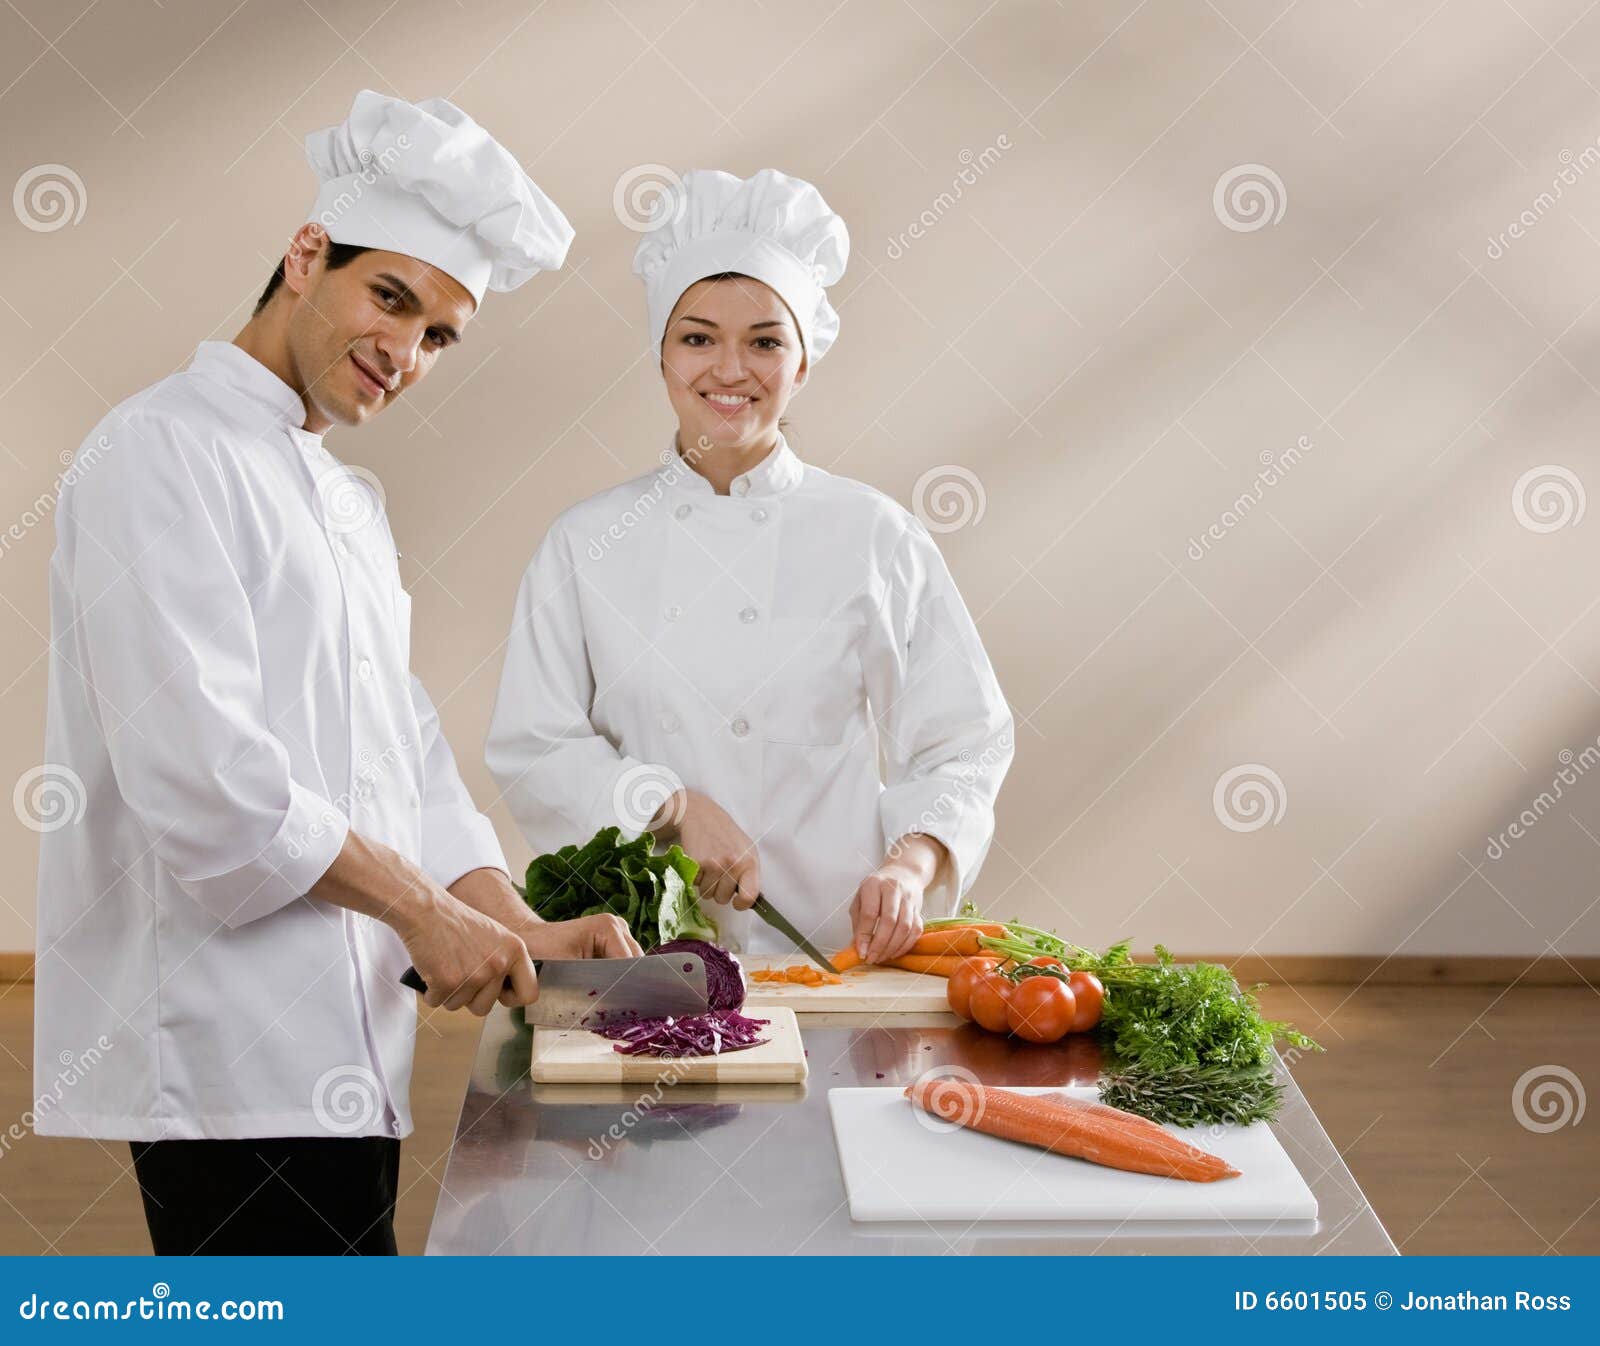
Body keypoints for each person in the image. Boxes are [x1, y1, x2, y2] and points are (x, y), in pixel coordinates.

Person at [31, 90, 641, 1257]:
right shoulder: (156, 450)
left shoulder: (345, 502)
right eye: (392, 298)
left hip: (352, 1035)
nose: (404, 353)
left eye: (439, 335)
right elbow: (202, 777)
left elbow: (395, 744)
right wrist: (421, 909)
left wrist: (513, 916)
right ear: (308, 255)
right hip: (227, 1049)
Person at [485, 168, 1013, 965]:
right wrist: (666, 805)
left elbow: (961, 739)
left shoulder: (875, 534)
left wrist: (911, 865)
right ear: (661, 356)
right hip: (647, 966)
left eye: (765, 341)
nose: (730, 371)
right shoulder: (584, 542)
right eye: (697, 338)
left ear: (802, 362)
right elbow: (535, 745)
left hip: (834, 957)